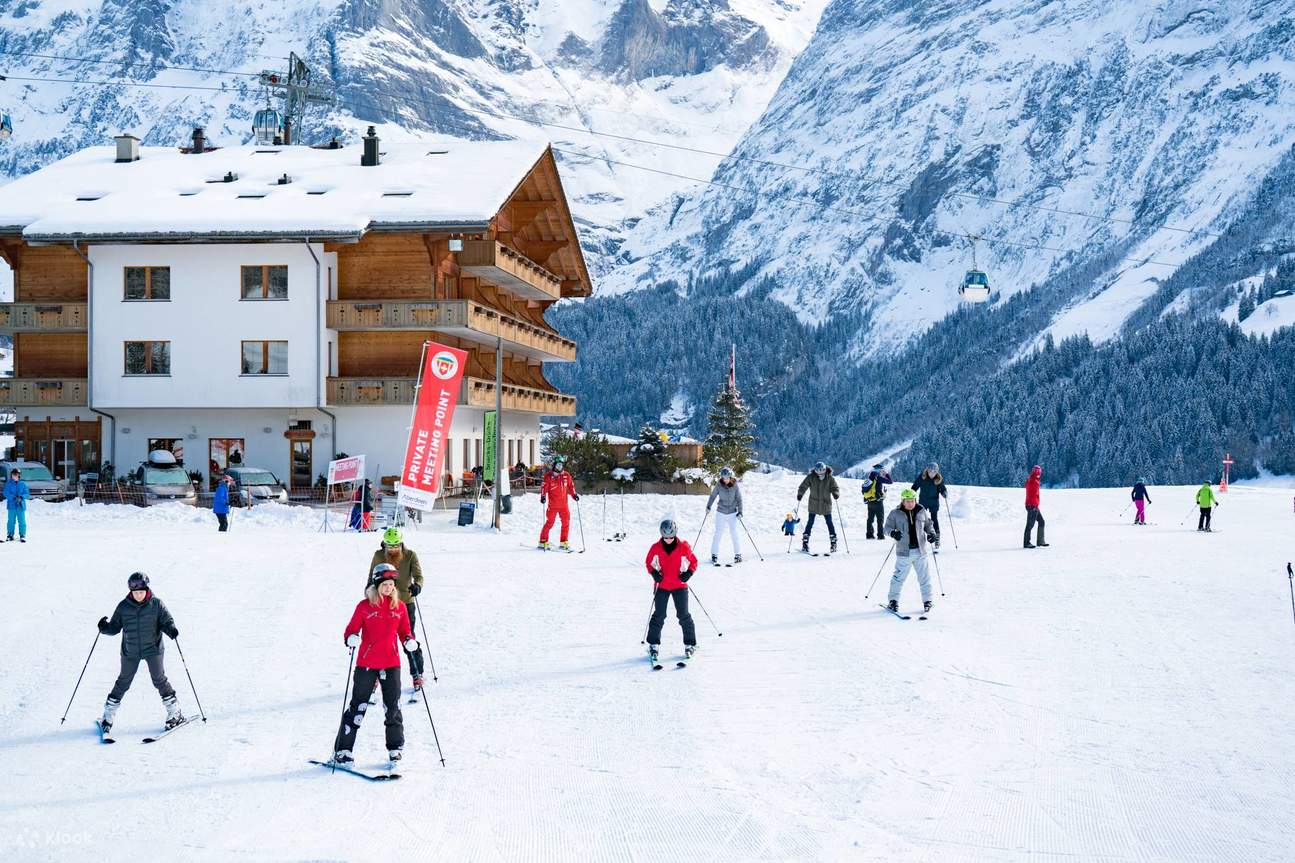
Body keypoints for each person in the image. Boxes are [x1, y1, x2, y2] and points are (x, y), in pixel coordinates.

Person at [333, 564, 416, 766]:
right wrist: (351, 638)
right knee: (358, 707)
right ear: (376, 584)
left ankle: (395, 749)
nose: (388, 588)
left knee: (393, 707)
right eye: (385, 584)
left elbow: (405, 631)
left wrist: (408, 641)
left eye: (391, 584)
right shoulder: (364, 606)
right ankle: (343, 750)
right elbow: (351, 630)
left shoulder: (400, 607)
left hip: (391, 663)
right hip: (367, 664)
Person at [97, 572, 185, 734]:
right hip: (130, 651)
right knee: (123, 682)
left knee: (159, 679)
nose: (138, 595)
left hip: (153, 649)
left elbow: (166, 621)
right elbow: (114, 628)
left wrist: (171, 630)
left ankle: (175, 712)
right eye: (135, 592)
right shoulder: (123, 606)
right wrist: (104, 628)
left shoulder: (157, 604)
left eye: (141, 592)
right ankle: (108, 716)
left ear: (147, 589)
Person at [368, 527, 427, 692]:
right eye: (390, 546)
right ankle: (376, 676)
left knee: (409, 640)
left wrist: (417, 586)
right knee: (381, 640)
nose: (393, 549)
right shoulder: (379, 555)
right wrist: (369, 592)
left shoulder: (410, 555)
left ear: (401, 544)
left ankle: (417, 674)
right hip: (383, 604)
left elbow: (419, 576)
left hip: (405, 603)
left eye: (396, 546)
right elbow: (371, 577)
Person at [645, 518, 698, 663]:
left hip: (679, 586)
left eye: (671, 537)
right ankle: (653, 644)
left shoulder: (683, 547)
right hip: (662, 586)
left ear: (675, 534)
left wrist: (689, 573)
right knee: (659, 615)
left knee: (684, 615)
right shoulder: (655, 547)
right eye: (665, 537)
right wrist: (654, 573)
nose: (668, 540)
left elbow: (694, 561)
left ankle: (690, 644)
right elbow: (648, 562)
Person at [884, 489, 937, 613]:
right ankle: (893, 601)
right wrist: (893, 533)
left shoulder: (921, 511)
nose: (910, 503)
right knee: (898, 578)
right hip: (904, 553)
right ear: (902, 501)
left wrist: (932, 534)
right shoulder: (895, 513)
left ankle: (927, 601)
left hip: (920, 551)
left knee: (924, 578)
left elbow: (928, 525)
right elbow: (886, 528)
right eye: (907, 501)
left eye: (912, 501)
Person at [796, 461, 840, 553]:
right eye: (818, 471)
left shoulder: (830, 478)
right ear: (815, 470)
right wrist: (800, 494)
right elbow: (803, 486)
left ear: (824, 470)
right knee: (810, 522)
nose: (820, 473)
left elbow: (835, 487)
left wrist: (835, 493)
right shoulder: (811, 477)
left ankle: (833, 543)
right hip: (814, 504)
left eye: (822, 471)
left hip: (826, 504)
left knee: (829, 523)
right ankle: (805, 542)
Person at [538, 455, 579, 551]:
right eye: (558, 465)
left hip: (564, 505)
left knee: (566, 522)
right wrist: (543, 497)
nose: (559, 467)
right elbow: (544, 488)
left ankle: (563, 542)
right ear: (554, 465)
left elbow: (571, 486)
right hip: (553, 505)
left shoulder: (566, 475)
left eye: (561, 465)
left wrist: (574, 495)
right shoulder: (549, 476)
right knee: (550, 523)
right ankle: (543, 541)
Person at [706, 466, 743, 564]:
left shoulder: (735, 485)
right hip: (721, 512)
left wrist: (740, 512)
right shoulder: (719, 485)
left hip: (732, 513)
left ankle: (738, 555)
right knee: (718, 533)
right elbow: (713, 496)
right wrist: (708, 506)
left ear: (730, 477)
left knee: (734, 533)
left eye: (726, 478)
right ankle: (714, 555)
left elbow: (739, 499)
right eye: (723, 477)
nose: (725, 479)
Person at [911, 463, 948, 548]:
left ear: (936, 472)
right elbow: (915, 486)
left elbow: (943, 489)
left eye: (934, 472)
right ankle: (917, 538)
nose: (932, 473)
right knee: (919, 519)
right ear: (927, 470)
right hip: (923, 501)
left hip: (933, 502)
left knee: (934, 519)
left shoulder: (938, 479)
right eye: (930, 471)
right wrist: (911, 494)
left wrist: (944, 493)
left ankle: (937, 538)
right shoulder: (922, 477)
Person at [862, 463, 892, 540]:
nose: (883, 471)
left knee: (870, 519)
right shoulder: (878, 477)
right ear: (880, 470)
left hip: (870, 501)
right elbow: (890, 481)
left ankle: (869, 534)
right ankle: (880, 535)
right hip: (878, 502)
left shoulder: (869, 478)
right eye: (882, 470)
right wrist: (887, 474)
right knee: (880, 519)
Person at [1024, 464, 1048, 548]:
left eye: (1039, 471)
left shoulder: (1035, 480)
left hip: (1034, 505)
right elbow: (1031, 494)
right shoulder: (1032, 480)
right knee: (1030, 524)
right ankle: (1026, 543)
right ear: (1034, 472)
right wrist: (1033, 505)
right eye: (1037, 471)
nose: (1039, 473)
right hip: (1032, 505)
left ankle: (1040, 541)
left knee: (1041, 522)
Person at [4, 466, 30, 542]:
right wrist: (13, 497)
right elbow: (6, 493)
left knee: (22, 521)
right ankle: (10, 535)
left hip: (20, 506)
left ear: (19, 475)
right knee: (11, 521)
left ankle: (22, 535)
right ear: (11, 475)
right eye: (13, 475)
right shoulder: (9, 484)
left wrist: (21, 497)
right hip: (11, 506)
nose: (14, 476)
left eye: (16, 475)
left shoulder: (22, 484)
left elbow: (27, 493)